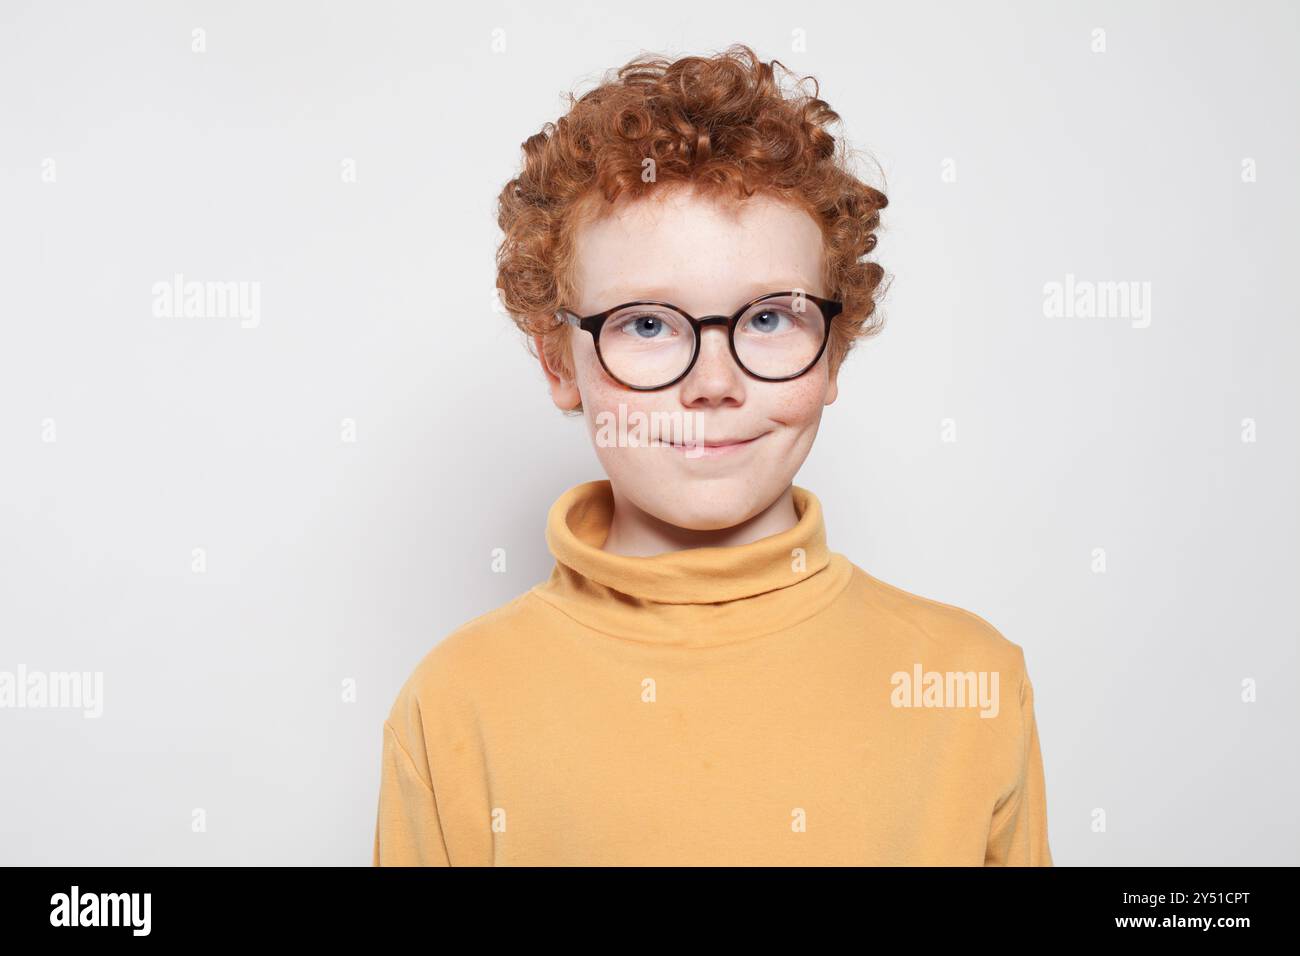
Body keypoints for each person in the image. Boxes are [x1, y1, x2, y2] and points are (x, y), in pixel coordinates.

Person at [373, 43, 1052, 865]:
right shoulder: (453, 705)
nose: (714, 382)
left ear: (833, 352)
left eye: (769, 318)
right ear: (560, 361)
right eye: (649, 325)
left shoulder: (969, 682)